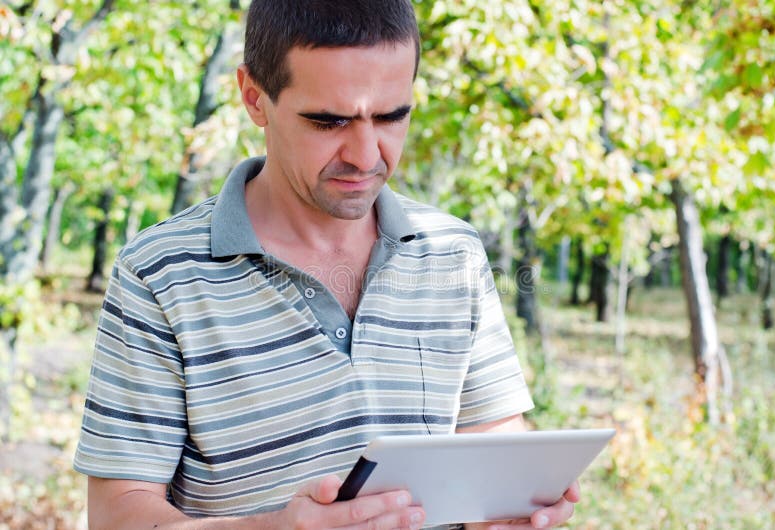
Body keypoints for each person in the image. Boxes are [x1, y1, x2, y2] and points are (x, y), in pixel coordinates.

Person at [73, 1, 579, 528]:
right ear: (254, 98)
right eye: (329, 121)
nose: (365, 155)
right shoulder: (160, 274)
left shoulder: (454, 251)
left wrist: (512, 507)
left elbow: (491, 447)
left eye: (391, 116)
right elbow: (115, 514)